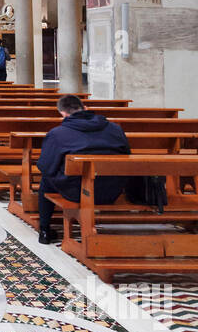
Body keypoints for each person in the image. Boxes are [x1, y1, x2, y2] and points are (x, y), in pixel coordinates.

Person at [36, 94, 131, 244]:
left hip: (76, 191)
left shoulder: (57, 133)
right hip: (112, 190)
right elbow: (127, 156)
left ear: (63, 113)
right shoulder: (115, 129)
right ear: (85, 108)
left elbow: (45, 166)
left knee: (46, 179)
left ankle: (45, 230)